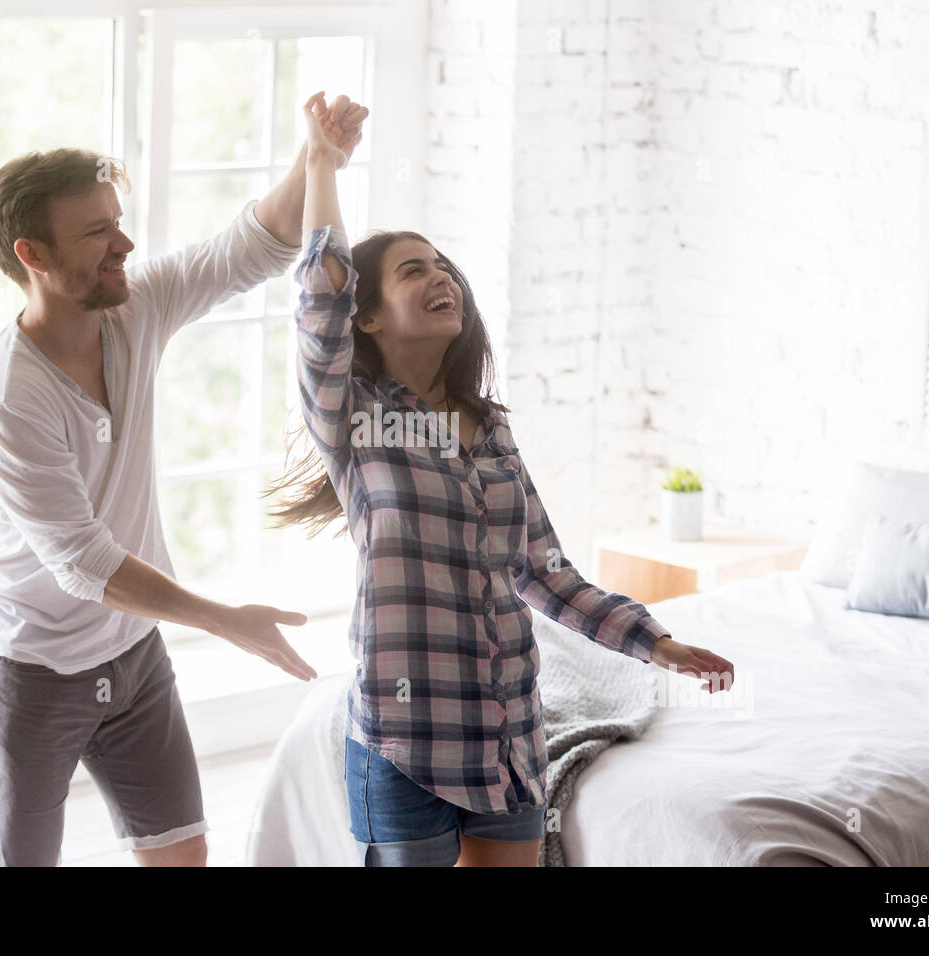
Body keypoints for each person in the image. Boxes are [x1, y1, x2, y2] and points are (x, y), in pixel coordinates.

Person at [269, 91, 735, 867]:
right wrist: (322, 163)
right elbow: (321, 297)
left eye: (442, 265)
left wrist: (660, 645)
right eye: (412, 270)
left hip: (510, 732)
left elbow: (547, 576)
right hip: (404, 738)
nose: (438, 276)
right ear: (371, 316)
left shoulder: (492, 429)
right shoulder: (352, 419)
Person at [0, 95, 365, 867]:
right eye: (97, 231)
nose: (125, 241)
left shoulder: (131, 310)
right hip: (31, 666)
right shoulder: (11, 398)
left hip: (131, 653)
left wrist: (314, 158)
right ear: (34, 256)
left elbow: (247, 249)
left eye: (117, 220)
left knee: (182, 855)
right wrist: (223, 619)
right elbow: (83, 564)